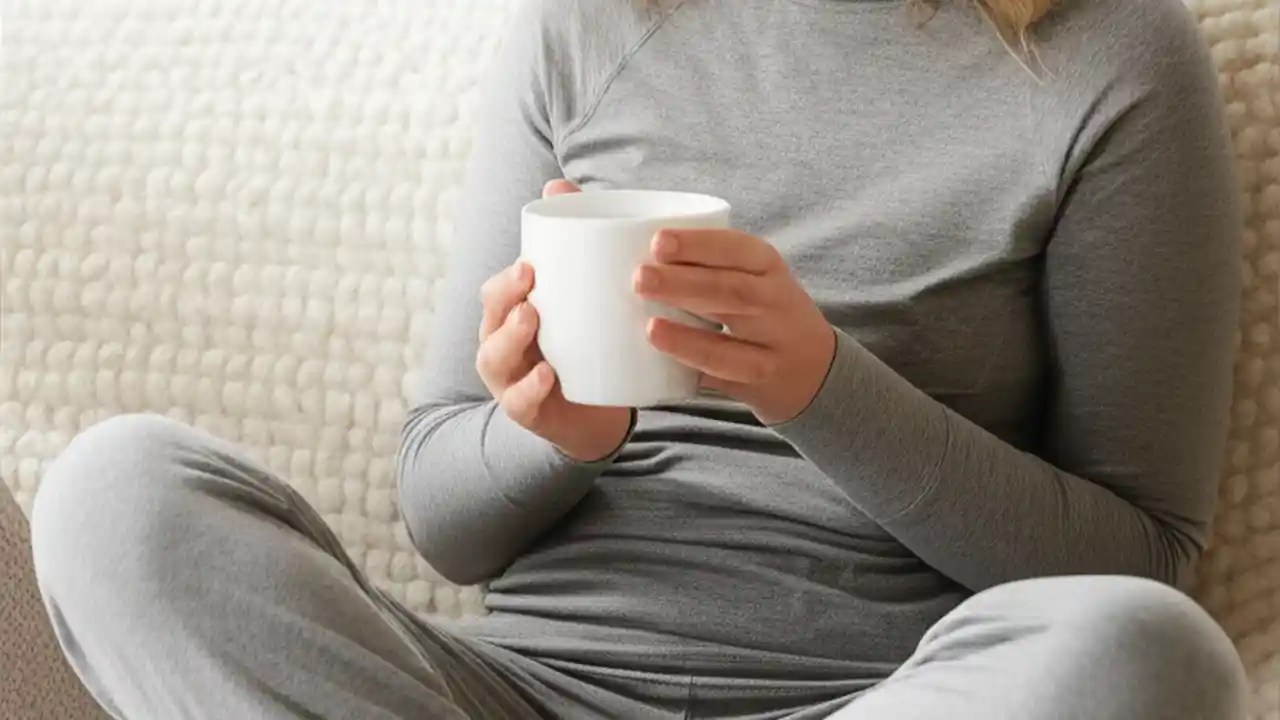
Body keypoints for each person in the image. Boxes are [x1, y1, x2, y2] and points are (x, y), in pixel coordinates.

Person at [31, 0, 1248, 717]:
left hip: (871, 698)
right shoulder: (594, 18)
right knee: (118, 496)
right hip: (529, 690)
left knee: (1145, 657)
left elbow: (1138, 555)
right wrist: (548, 434)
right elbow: (444, 516)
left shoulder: (1111, 54)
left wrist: (820, 388)